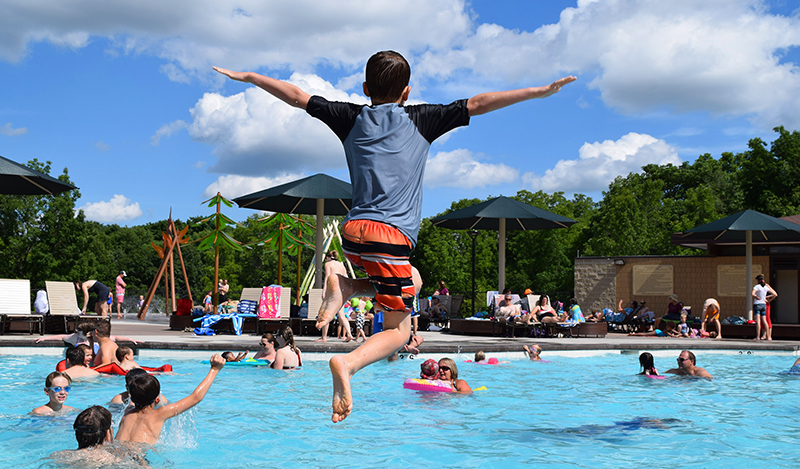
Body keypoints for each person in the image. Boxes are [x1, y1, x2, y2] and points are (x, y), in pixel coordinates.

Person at [215, 50, 575, 423]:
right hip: (389, 237)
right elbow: (480, 103)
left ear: (366, 88)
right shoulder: (423, 118)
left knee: (413, 280)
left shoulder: (350, 116)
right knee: (400, 331)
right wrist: (539, 91)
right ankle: (348, 364)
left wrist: (251, 76)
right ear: (406, 92)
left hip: (354, 235)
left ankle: (348, 287)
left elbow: (295, 95)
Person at [115, 354, 225, 445]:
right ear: (157, 399)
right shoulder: (158, 414)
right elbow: (196, 397)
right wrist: (214, 369)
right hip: (137, 460)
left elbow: (134, 393)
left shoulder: (128, 411)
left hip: (115, 454)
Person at [317, 250, 354, 343]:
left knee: (327, 312)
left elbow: (327, 277)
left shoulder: (328, 264)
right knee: (341, 315)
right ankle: (349, 334)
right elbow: (346, 277)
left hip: (333, 290)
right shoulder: (341, 265)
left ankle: (324, 337)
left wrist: (324, 290)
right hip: (342, 290)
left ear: (327, 257)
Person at [752, 274, 777, 341]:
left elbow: (775, 294)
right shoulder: (765, 287)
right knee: (765, 320)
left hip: (758, 303)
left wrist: (758, 297)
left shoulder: (759, 286)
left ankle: (759, 336)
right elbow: (774, 294)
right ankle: (767, 336)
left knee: (760, 320)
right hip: (764, 304)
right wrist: (767, 299)